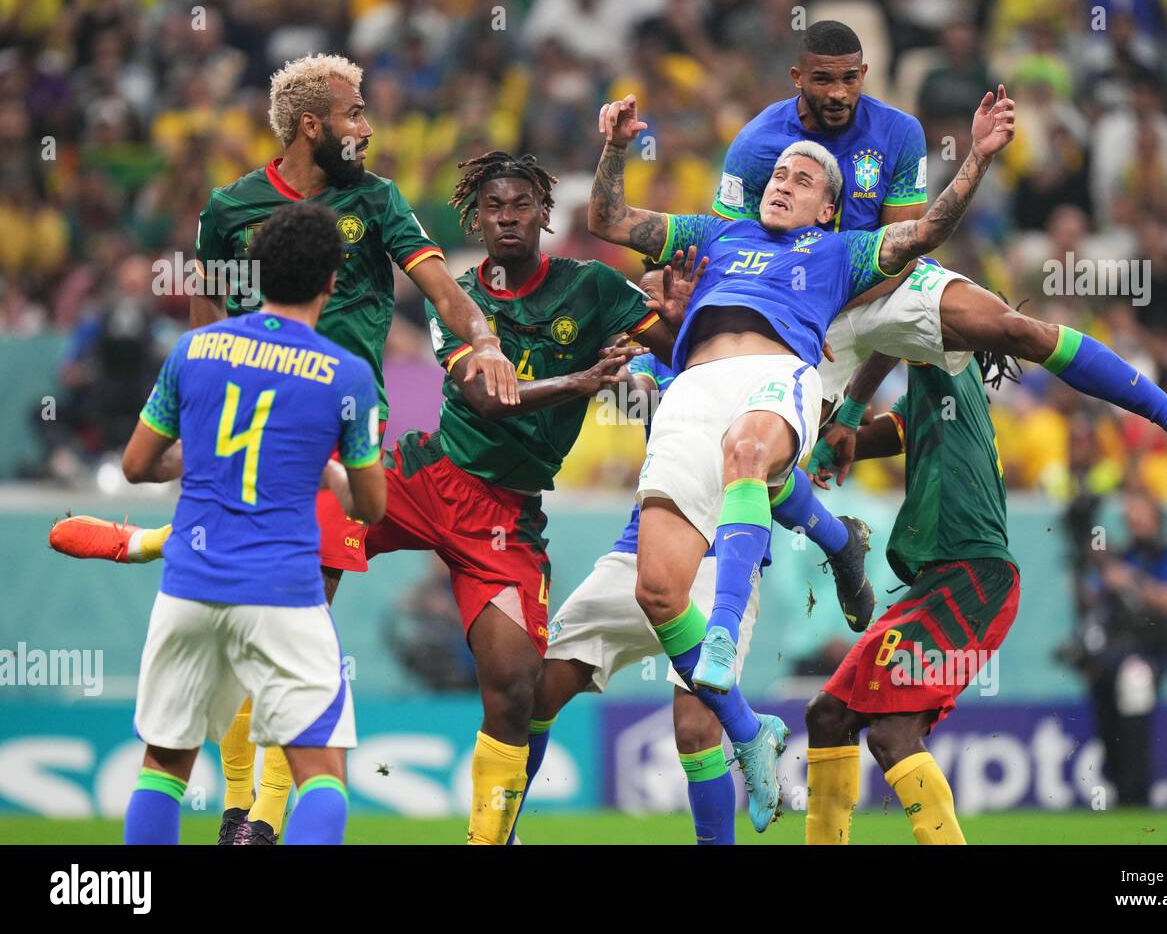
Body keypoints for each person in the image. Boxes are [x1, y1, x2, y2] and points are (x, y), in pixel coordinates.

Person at [48, 52, 514, 844]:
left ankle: (252, 818)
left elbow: (446, 294)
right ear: (311, 124)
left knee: (187, 723)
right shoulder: (230, 209)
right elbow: (204, 321)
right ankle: (249, 813)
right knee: (295, 679)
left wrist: (486, 340)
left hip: (317, 439)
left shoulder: (379, 200)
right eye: (354, 114)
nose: (366, 128)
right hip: (294, 446)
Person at [586, 82, 1015, 830]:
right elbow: (608, 220)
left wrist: (975, 159)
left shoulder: (838, 250)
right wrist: (615, 148)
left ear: (827, 207)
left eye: (805, 179)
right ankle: (753, 729)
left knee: (751, 454)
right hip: (692, 392)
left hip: (776, 377)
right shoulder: (711, 235)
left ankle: (721, 635)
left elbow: (922, 236)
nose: (784, 183)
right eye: (779, 173)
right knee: (657, 591)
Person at [715, 20, 1167, 485]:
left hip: (875, 286)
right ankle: (825, 547)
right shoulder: (756, 144)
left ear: (865, 72)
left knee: (1016, 329)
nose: (837, 92)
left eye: (849, 78)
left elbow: (898, 255)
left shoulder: (897, 132)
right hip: (800, 307)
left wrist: (852, 410)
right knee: (762, 458)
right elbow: (731, 255)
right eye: (822, 79)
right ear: (796, 77)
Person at [359, 151, 679, 845]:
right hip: (430, 479)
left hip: (504, 515)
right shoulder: (459, 296)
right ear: (476, 216)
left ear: (543, 212)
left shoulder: (592, 287)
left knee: (514, 688)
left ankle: (489, 840)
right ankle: (255, 801)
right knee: (306, 535)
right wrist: (583, 382)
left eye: (521, 205)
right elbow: (484, 394)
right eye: (494, 208)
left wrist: (687, 319)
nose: (508, 217)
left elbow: (675, 345)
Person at [119, 201, 387, 845]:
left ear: (256, 276)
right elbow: (371, 508)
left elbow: (137, 466)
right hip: (284, 592)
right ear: (331, 281)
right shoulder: (345, 375)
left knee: (163, 766)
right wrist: (328, 476)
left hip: (189, 587)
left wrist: (202, 454)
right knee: (321, 774)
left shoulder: (194, 350)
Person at [521, 256, 778, 845]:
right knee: (537, 692)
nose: (652, 303)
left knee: (693, 730)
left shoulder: (754, 360)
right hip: (639, 549)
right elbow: (638, 397)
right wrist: (605, 375)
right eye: (645, 294)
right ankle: (498, 829)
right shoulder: (655, 362)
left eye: (663, 289)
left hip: (719, 558)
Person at [803, 350, 1020, 846]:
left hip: (972, 577)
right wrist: (802, 433)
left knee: (890, 734)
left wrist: (851, 406)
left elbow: (907, 296)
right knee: (828, 715)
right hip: (939, 580)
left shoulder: (947, 364)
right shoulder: (930, 396)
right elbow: (862, 440)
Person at [1074, 486, 1167, 807]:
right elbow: (1092, 599)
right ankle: (1118, 787)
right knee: (1104, 704)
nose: (1134, 521)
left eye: (1140, 514)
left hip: (1151, 649)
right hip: (1115, 651)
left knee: (1135, 688)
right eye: (1130, 516)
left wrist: (1129, 580)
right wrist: (1083, 567)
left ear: (1157, 518)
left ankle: (1136, 793)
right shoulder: (1123, 555)